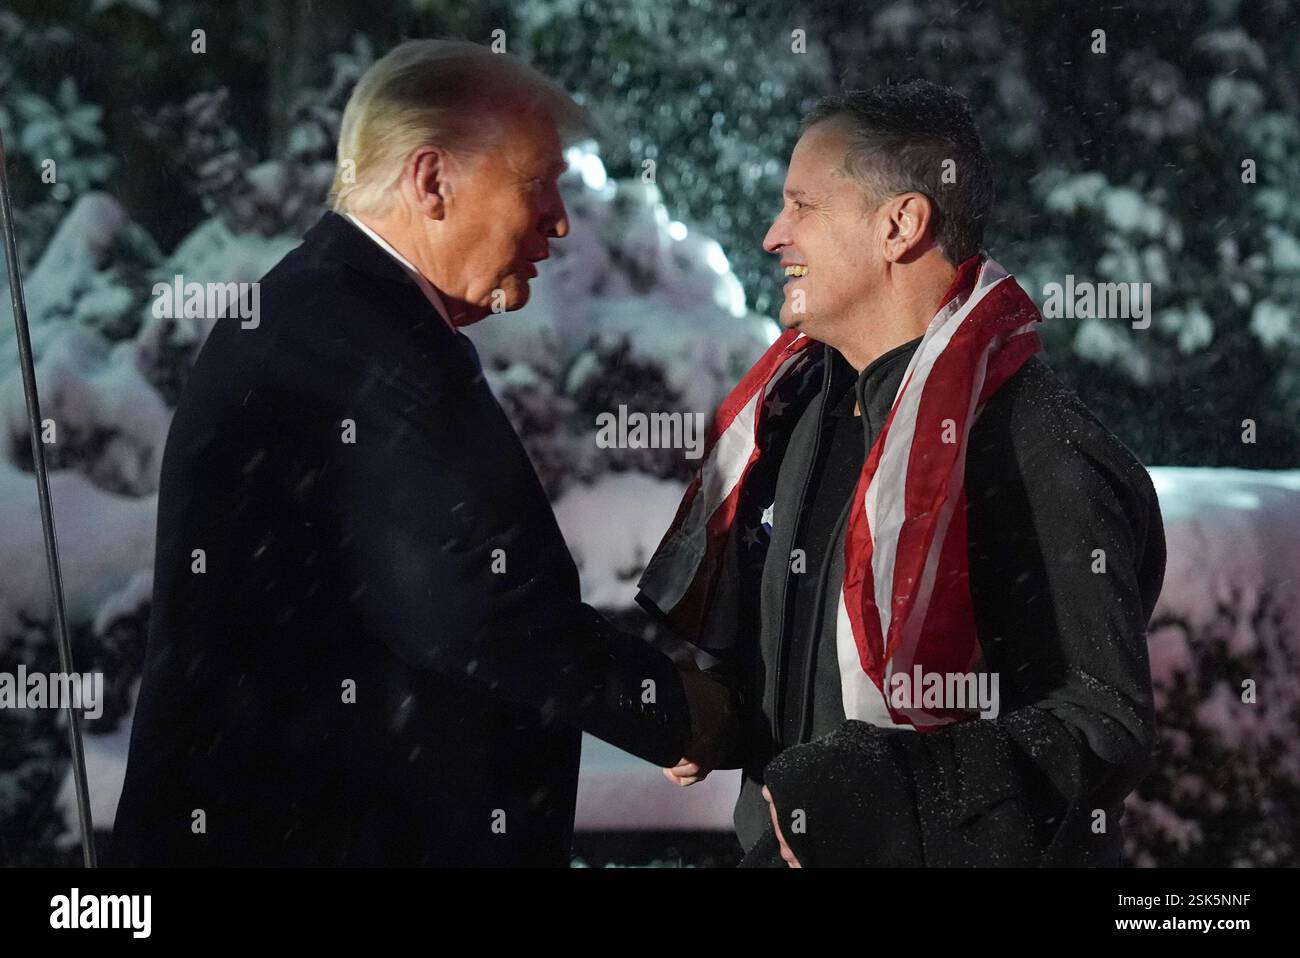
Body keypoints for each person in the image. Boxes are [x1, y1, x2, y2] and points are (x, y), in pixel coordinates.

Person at [112, 38, 729, 867]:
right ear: (432, 180)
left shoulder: (323, 310)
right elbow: (479, 602)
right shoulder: (365, 337)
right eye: (536, 182)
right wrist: (677, 709)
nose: (560, 219)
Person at [644, 80, 1166, 867]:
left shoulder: (1033, 440)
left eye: (803, 206)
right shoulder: (801, 418)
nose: (772, 235)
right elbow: (815, 686)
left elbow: (1103, 724)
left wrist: (883, 795)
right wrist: (712, 709)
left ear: (900, 225)